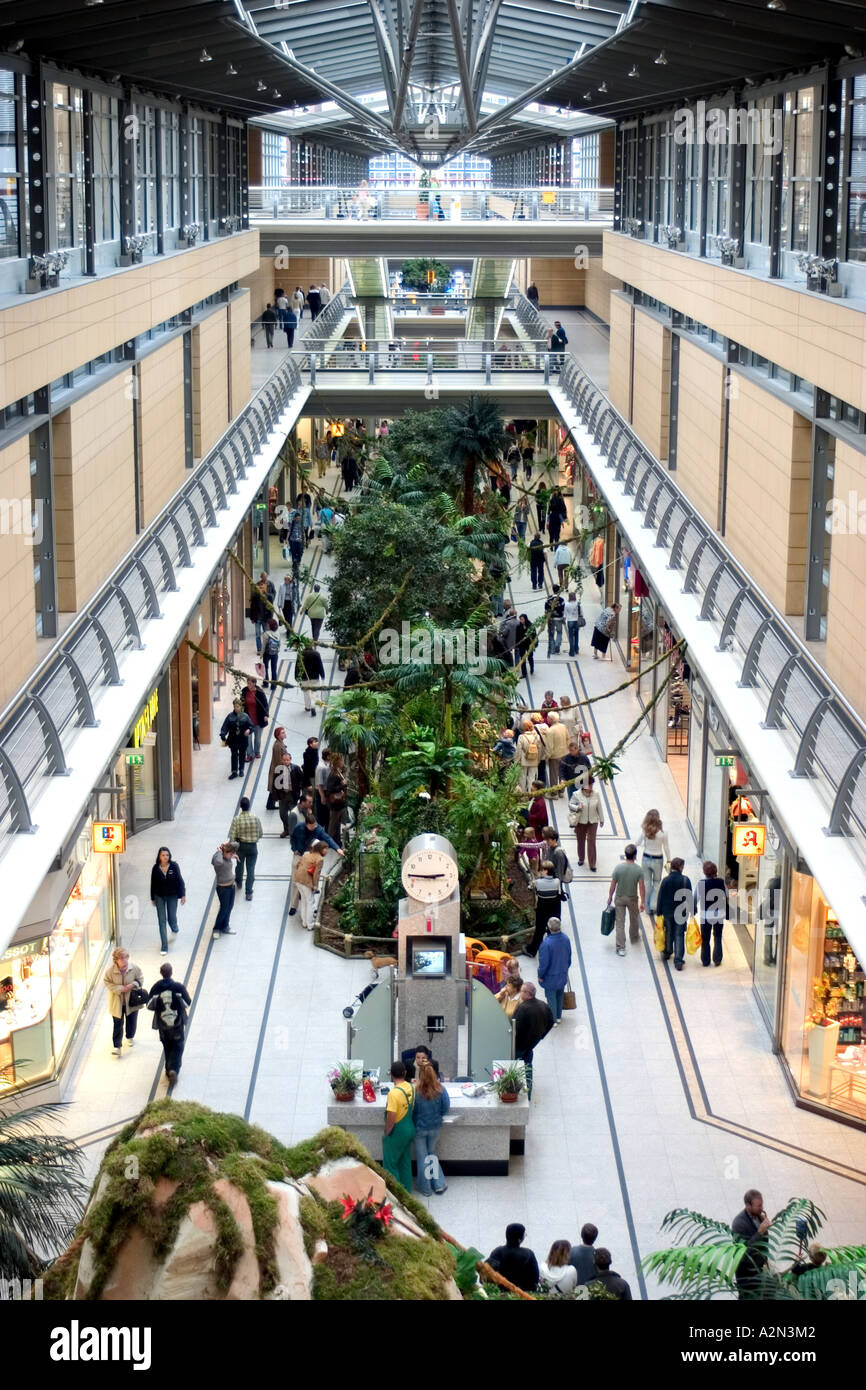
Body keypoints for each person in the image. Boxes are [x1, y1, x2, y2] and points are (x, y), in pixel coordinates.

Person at [147, 961, 191, 1086]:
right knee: (178, 1047)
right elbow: (188, 1003)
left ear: (161, 973)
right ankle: (173, 1069)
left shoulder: (156, 987)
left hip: (162, 1026)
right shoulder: (178, 987)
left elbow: (149, 1005)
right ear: (171, 973)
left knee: (167, 1047)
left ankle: (168, 1070)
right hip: (177, 1025)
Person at [412, 1059, 450, 1196]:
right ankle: (438, 1185)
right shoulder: (440, 1089)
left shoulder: (416, 1091)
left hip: (420, 1128)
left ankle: (426, 1188)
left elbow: (413, 1111)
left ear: (420, 1075)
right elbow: (446, 1107)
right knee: (432, 1153)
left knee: (422, 1157)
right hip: (435, 1127)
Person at [513, 982, 553, 1100]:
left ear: (527, 993)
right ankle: (528, 1093)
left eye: (521, 991)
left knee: (514, 1066)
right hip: (531, 1044)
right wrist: (541, 1035)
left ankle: (515, 1090)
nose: (520, 994)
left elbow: (515, 1026)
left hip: (519, 1044)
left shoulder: (523, 1008)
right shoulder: (543, 1005)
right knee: (528, 1067)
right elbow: (551, 1021)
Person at [606, 843, 646, 958]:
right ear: (635, 856)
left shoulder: (618, 868)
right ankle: (634, 937)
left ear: (625, 855)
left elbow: (613, 885)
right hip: (632, 898)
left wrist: (609, 897)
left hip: (619, 898)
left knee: (620, 922)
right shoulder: (638, 870)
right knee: (634, 919)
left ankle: (620, 947)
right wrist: (642, 902)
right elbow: (641, 887)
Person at [104, 946, 144, 1056]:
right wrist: (120, 989)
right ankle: (117, 1046)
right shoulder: (110, 972)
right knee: (117, 1024)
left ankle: (130, 1036)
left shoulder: (134, 968)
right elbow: (107, 982)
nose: (124, 960)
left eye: (126, 957)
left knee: (131, 1021)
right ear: (116, 960)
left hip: (131, 1001)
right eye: (121, 958)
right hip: (117, 1003)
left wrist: (132, 985)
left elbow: (140, 979)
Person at [382, 1061, 415, 1192]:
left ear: (391, 1075)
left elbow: (391, 1116)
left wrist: (387, 1132)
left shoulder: (393, 1094)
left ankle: (395, 1195)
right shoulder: (411, 1087)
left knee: (390, 1165)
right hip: (409, 1129)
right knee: (405, 1162)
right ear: (405, 1073)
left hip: (397, 1132)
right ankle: (407, 1193)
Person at [731, 1190, 771, 1298]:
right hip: (746, 1272)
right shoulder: (739, 1224)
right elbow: (744, 1251)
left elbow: (764, 1240)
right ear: (748, 1206)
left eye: (762, 1204)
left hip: (759, 1267)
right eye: (759, 1206)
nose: (762, 1208)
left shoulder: (759, 1215)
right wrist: (759, 1232)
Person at [656, 857, 693, 969]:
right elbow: (689, 897)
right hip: (681, 912)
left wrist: (659, 911)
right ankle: (678, 961)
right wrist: (692, 911)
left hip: (667, 912)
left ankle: (667, 952)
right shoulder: (686, 880)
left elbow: (660, 896)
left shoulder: (666, 880)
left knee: (669, 932)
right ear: (680, 867)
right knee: (679, 934)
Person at [150, 847, 186, 955]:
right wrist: (152, 897)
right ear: (159, 857)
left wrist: (183, 895)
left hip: (172, 895)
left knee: (171, 917)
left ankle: (175, 928)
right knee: (162, 921)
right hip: (159, 896)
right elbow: (153, 883)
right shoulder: (156, 868)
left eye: (167, 855)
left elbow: (180, 881)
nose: (165, 857)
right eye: (163, 855)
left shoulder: (174, 866)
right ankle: (164, 946)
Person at [695, 860, 730, 967]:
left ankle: (705, 961)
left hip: (705, 915)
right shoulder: (721, 882)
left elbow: (695, 898)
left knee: (705, 939)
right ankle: (717, 959)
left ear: (705, 872)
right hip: (719, 914)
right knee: (718, 936)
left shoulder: (701, 883)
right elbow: (727, 895)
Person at [635, 809, 671, 914]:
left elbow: (637, 843)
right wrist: (669, 860)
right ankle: (653, 905)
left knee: (646, 883)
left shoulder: (644, 831)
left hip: (646, 858)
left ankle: (646, 907)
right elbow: (666, 848)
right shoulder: (663, 833)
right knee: (656, 883)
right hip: (658, 859)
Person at [537, 918, 572, 1024]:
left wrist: (540, 975)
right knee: (560, 995)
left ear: (549, 927)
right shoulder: (566, 939)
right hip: (562, 974)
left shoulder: (546, 944)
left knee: (551, 997)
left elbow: (544, 964)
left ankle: (553, 1020)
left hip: (550, 977)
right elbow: (569, 957)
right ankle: (558, 1016)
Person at [229, 795, 263, 902]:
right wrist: (254, 838)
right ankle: (248, 892)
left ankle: (239, 881)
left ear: (241, 807)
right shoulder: (255, 818)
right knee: (251, 869)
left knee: (239, 865)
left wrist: (231, 848)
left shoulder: (237, 819)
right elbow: (261, 833)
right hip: (253, 847)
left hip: (241, 846)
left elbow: (232, 836)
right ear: (249, 806)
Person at [487, 1224, 539, 1293]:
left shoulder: (497, 1252)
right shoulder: (528, 1254)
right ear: (519, 1239)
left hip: (500, 1294)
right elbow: (535, 1278)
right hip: (524, 1294)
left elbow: (488, 1275)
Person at [568, 775, 603, 872]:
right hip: (581, 821)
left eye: (591, 784)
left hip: (593, 821)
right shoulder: (576, 794)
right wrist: (577, 807)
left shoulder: (596, 794)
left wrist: (601, 819)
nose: (591, 786)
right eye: (589, 784)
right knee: (581, 840)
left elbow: (599, 807)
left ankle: (592, 864)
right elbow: (570, 805)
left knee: (592, 842)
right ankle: (581, 858)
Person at [293, 839, 328, 929]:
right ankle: (310, 924)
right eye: (325, 849)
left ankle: (304, 922)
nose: (327, 851)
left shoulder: (306, 854)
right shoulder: (320, 859)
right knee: (310, 902)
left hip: (297, 879)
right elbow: (316, 874)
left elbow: (298, 865)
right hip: (306, 881)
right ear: (320, 849)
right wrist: (315, 886)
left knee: (304, 901)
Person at [220, 698, 252, 780]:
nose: (236, 708)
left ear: (241, 707)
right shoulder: (230, 716)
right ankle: (234, 771)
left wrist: (249, 730)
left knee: (242, 754)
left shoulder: (245, 716)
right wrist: (223, 734)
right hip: (233, 739)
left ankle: (241, 769)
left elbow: (251, 726)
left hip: (243, 739)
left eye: (238, 706)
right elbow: (225, 726)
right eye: (235, 706)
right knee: (234, 755)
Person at [211, 842, 239, 937]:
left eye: (232, 854)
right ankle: (216, 928)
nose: (231, 855)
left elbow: (236, 844)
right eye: (230, 854)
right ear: (223, 852)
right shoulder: (217, 858)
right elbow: (219, 862)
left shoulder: (227, 856)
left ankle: (225, 926)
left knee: (229, 907)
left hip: (231, 886)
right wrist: (219, 851)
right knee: (224, 908)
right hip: (223, 888)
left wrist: (231, 855)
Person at [276, 753, 303, 836]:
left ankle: (293, 830)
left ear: (290, 760)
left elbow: (302, 779)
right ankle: (286, 829)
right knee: (282, 814)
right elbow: (276, 783)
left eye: (287, 760)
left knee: (293, 814)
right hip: (283, 795)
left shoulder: (296, 768)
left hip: (293, 795)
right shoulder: (278, 769)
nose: (286, 761)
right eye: (284, 760)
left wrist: (300, 791)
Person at [242, 675, 269, 761]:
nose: (248, 685)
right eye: (247, 683)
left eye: (250, 683)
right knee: (248, 739)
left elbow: (265, 705)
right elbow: (242, 703)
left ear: (254, 684)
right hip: (248, 720)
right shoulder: (244, 691)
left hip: (258, 719)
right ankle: (250, 754)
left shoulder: (260, 692)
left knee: (257, 739)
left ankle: (257, 752)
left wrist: (266, 715)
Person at [296, 641, 324, 716]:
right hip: (315, 677)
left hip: (304, 677)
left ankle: (308, 707)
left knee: (306, 693)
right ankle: (314, 706)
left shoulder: (301, 654)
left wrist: (296, 676)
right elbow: (320, 666)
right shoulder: (316, 654)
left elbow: (297, 666)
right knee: (315, 692)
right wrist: (322, 675)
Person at [515, 717, 542, 795]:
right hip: (534, 760)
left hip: (523, 761)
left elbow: (518, 750)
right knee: (531, 778)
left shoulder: (521, 737)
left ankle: (522, 795)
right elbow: (539, 749)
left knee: (522, 779)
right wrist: (538, 759)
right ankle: (531, 794)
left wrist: (516, 761)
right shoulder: (537, 737)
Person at [324, 753, 348, 840]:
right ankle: (329, 841)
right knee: (333, 824)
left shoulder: (337, 772)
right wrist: (342, 785)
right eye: (341, 760)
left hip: (339, 803)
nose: (342, 762)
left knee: (336, 824)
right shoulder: (333, 774)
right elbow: (330, 789)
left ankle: (336, 840)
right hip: (335, 804)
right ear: (337, 762)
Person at [543, 711, 568, 791]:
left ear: (551, 719)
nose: (547, 719)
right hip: (564, 754)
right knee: (562, 774)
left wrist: (547, 757)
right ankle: (562, 791)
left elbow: (549, 747)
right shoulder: (563, 726)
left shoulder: (551, 731)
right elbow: (568, 739)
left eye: (548, 718)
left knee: (553, 775)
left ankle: (554, 793)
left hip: (554, 756)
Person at [266, 726, 288, 810]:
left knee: (275, 788)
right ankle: (271, 804)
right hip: (277, 769)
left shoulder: (280, 743)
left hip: (278, 769)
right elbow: (278, 759)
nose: (284, 733)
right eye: (282, 733)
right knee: (275, 788)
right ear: (278, 735)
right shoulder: (277, 746)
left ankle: (270, 804)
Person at [544, 585, 564, 657]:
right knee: (559, 632)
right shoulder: (561, 599)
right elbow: (563, 610)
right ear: (559, 590)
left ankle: (552, 650)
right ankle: (557, 647)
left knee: (551, 634)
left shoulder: (549, 599)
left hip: (551, 618)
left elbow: (546, 608)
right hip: (558, 618)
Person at [563, 589, 584, 657]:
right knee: (576, 635)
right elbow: (581, 613)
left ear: (569, 597)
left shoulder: (566, 604)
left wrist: (564, 620)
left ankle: (571, 652)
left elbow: (564, 614)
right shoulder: (577, 604)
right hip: (576, 621)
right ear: (575, 597)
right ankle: (576, 649)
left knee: (571, 637)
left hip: (570, 621)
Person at [261, 618, 280, 690]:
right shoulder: (278, 633)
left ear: (270, 626)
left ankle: (266, 683)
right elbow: (279, 644)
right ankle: (273, 685)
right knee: (274, 669)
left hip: (267, 653)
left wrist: (261, 655)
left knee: (265, 668)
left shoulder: (266, 634)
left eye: (268, 624)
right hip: (275, 654)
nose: (266, 625)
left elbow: (263, 646)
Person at [275, 572, 295, 638]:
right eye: (285, 579)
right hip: (284, 603)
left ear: (290, 580)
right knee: (286, 618)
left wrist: (299, 602)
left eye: (287, 579)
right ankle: (288, 629)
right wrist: (279, 604)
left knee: (290, 617)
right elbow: (280, 595)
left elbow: (297, 594)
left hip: (291, 603)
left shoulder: (293, 585)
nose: (286, 581)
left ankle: (289, 632)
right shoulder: (281, 585)